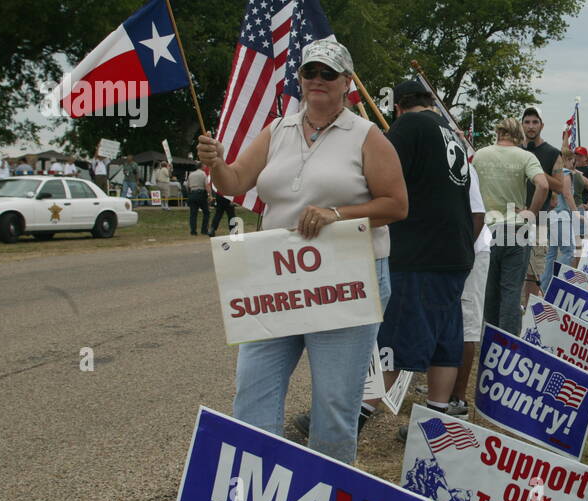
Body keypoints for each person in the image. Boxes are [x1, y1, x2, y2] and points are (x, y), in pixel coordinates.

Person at [195, 36, 407, 464]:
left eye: (328, 73)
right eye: (310, 71)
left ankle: (325, 499)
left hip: (345, 279)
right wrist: (216, 163)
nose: (318, 80)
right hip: (277, 278)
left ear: (347, 82)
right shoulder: (277, 129)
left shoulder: (367, 136)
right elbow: (234, 183)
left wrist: (336, 213)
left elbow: (397, 206)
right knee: (252, 393)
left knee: (333, 404)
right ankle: (252, 493)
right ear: (300, 78)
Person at [371, 78, 476, 420]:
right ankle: (437, 416)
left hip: (420, 250)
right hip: (455, 251)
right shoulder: (450, 132)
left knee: (395, 339)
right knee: (445, 342)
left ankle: (355, 416)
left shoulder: (410, 124)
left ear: (398, 106)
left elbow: (377, 171)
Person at [476, 116, 549, 335]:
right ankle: (507, 340)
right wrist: (531, 213)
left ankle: (489, 332)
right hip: (516, 229)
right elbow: (543, 185)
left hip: (488, 229)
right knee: (511, 290)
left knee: (489, 289)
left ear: (498, 133)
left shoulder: (480, 155)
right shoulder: (525, 156)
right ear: (519, 135)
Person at [447, 161, 490, 417]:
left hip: (470, 252)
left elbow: (478, 215)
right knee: (447, 324)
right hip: (446, 255)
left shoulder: (460, 164)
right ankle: (443, 388)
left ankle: (458, 399)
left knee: (466, 326)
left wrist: (461, 258)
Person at [543, 131, 588, 293]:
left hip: (553, 216)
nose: (574, 162)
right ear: (569, 159)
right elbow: (567, 194)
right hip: (562, 217)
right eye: (573, 159)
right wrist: (576, 213)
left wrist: (565, 139)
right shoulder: (566, 174)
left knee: (552, 254)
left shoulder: (558, 173)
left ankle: (546, 287)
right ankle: (557, 286)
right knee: (568, 251)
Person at [520, 107, 563, 302]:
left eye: (534, 122)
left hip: (540, 219)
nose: (530, 126)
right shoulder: (516, 150)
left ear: (542, 125)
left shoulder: (552, 152)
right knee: (511, 266)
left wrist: (536, 170)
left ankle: (528, 308)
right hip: (513, 216)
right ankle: (512, 308)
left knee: (533, 270)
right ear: (522, 125)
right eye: (527, 122)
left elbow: (560, 186)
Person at [185, 164, 210, 235]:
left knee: (193, 214)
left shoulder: (191, 174)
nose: (205, 167)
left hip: (192, 194)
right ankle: (204, 230)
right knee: (206, 212)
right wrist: (210, 195)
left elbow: (187, 185)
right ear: (202, 166)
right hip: (201, 194)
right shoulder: (203, 174)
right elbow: (206, 185)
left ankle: (193, 231)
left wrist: (190, 193)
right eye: (204, 166)